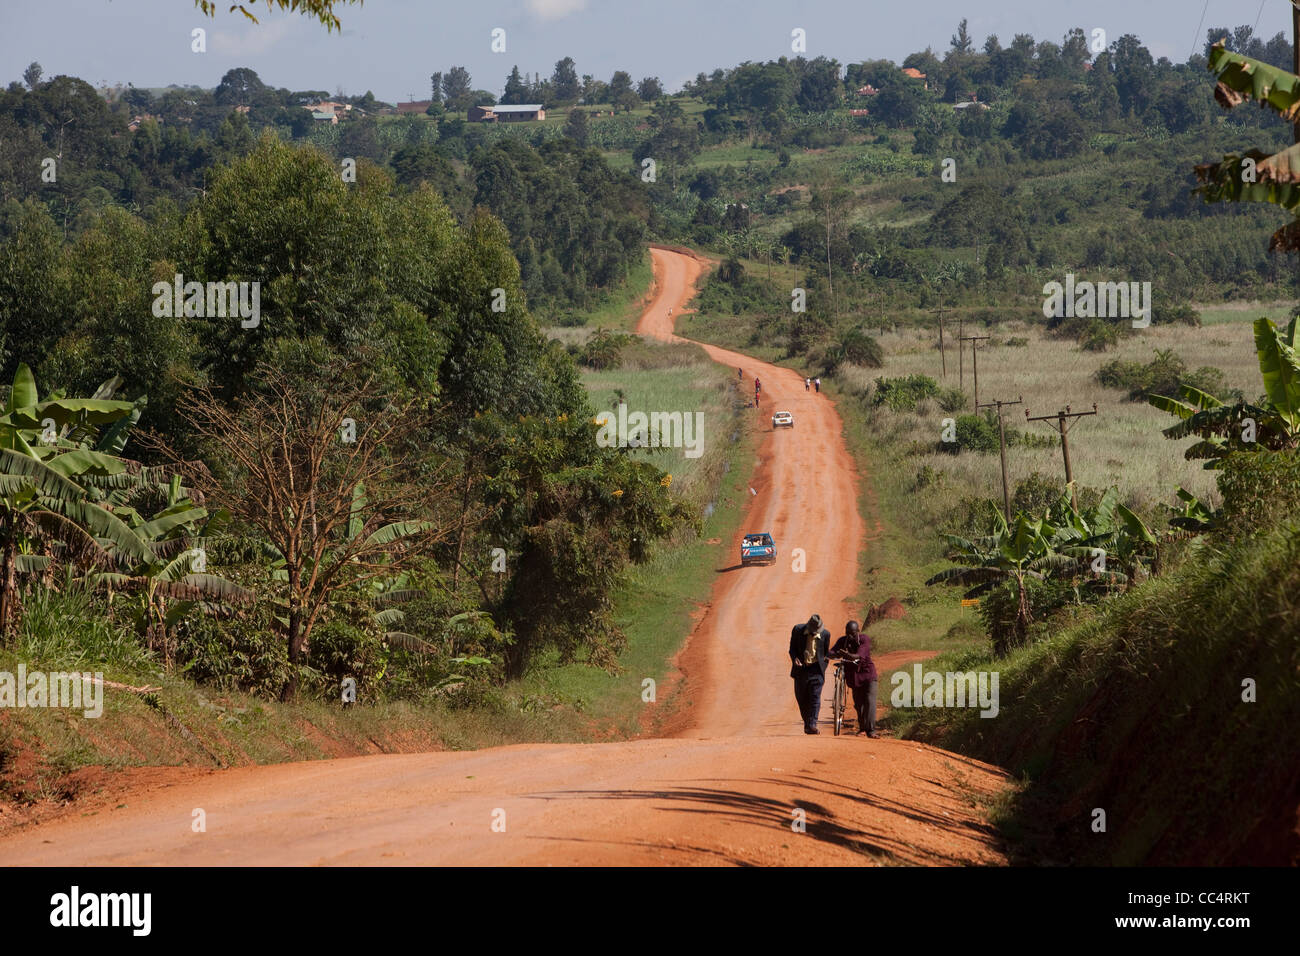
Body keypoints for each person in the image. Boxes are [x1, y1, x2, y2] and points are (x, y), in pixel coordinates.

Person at [831, 620, 879, 737]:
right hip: (854, 678)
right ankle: (862, 729)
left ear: (858, 631)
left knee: (869, 702)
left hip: (868, 676)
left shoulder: (864, 639)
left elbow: (858, 655)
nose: (849, 635)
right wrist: (834, 654)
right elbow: (832, 651)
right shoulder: (843, 641)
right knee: (858, 704)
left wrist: (848, 655)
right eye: (847, 633)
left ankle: (871, 730)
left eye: (852, 633)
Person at [789, 613, 831, 734]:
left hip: (816, 670)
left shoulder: (825, 634)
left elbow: (826, 653)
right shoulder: (797, 630)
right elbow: (792, 649)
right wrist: (795, 658)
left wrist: (823, 666)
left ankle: (812, 724)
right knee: (801, 698)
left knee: (815, 697)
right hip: (801, 670)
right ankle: (808, 724)